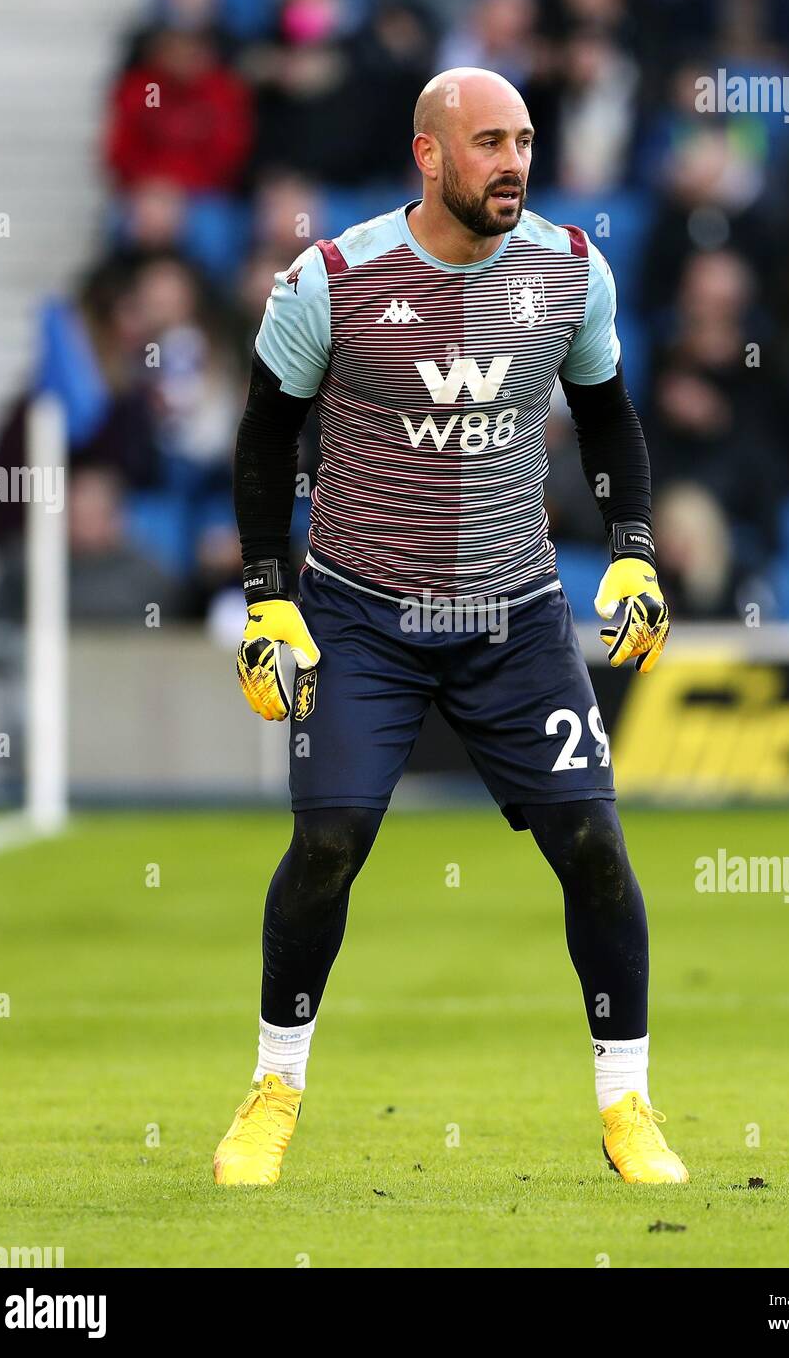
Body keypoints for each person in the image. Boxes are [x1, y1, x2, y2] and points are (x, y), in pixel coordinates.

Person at [214, 67, 687, 1188]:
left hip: (513, 617)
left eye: (522, 139)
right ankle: (274, 1086)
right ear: (429, 155)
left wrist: (632, 551)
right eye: (487, 143)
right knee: (328, 845)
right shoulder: (329, 279)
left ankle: (627, 1106)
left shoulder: (572, 272)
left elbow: (608, 414)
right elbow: (260, 440)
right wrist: (264, 589)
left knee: (596, 851)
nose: (512, 161)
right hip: (359, 614)